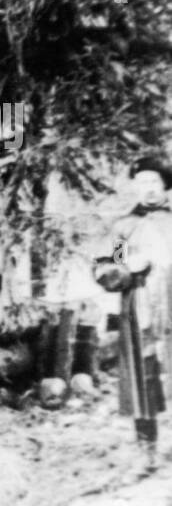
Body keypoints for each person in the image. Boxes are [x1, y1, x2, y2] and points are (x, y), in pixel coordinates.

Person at [94, 157, 172, 451]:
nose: (148, 189)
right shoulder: (125, 228)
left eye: (154, 182)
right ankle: (146, 444)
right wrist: (126, 269)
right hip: (141, 305)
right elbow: (108, 270)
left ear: (165, 185)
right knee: (143, 371)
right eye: (142, 183)